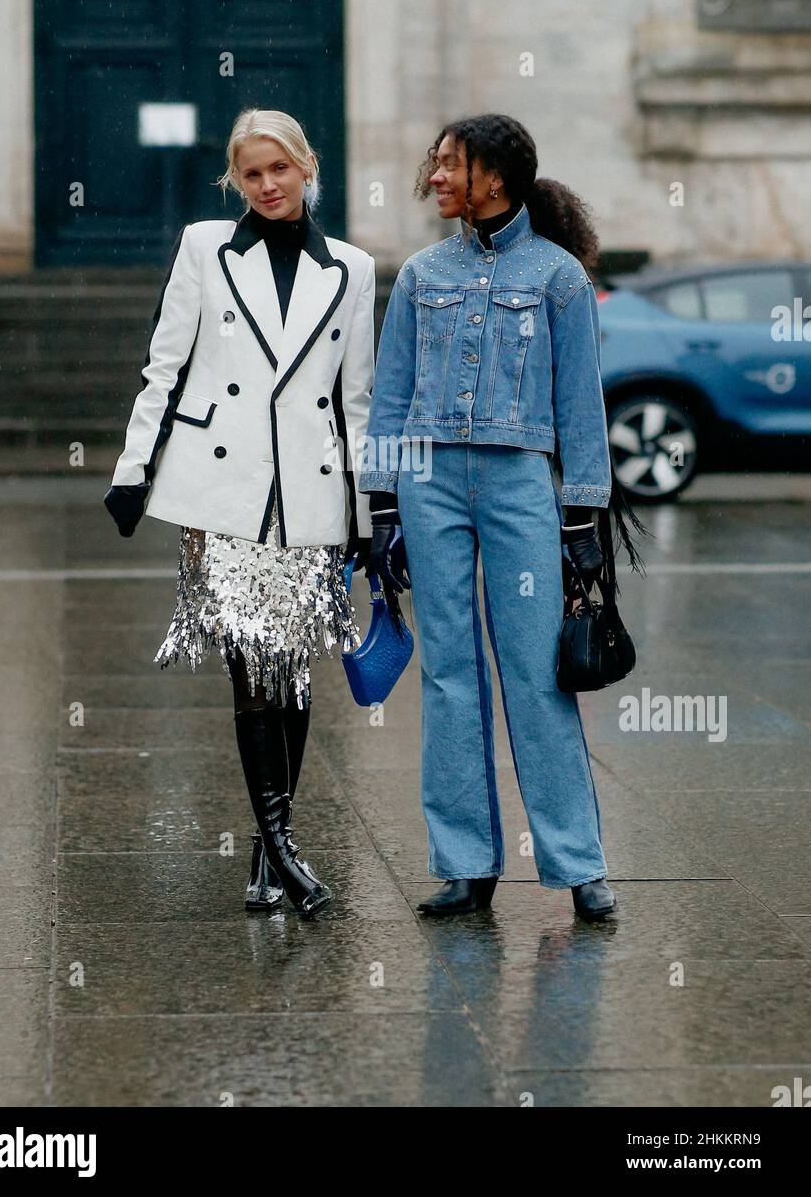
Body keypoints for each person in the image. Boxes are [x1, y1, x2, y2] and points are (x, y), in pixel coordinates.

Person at [359, 112, 642, 921]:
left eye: (453, 164)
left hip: (521, 487)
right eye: (436, 163)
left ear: (498, 178)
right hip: (430, 486)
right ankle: (464, 864)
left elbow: (581, 406)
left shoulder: (558, 278)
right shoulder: (419, 274)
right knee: (449, 676)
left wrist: (583, 522)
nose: (437, 176)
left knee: (536, 674)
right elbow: (393, 394)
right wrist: (383, 506)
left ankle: (579, 865)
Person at [104, 108, 375, 917]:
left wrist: (371, 511)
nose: (266, 186)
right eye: (251, 174)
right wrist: (131, 471)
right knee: (253, 669)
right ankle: (286, 847)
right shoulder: (203, 249)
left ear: (306, 166)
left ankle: (267, 848)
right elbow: (165, 367)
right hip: (221, 498)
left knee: (291, 674)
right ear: (235, 179)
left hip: (312, 497)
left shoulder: (353, 270)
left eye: (279, 170)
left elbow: (356, 401)